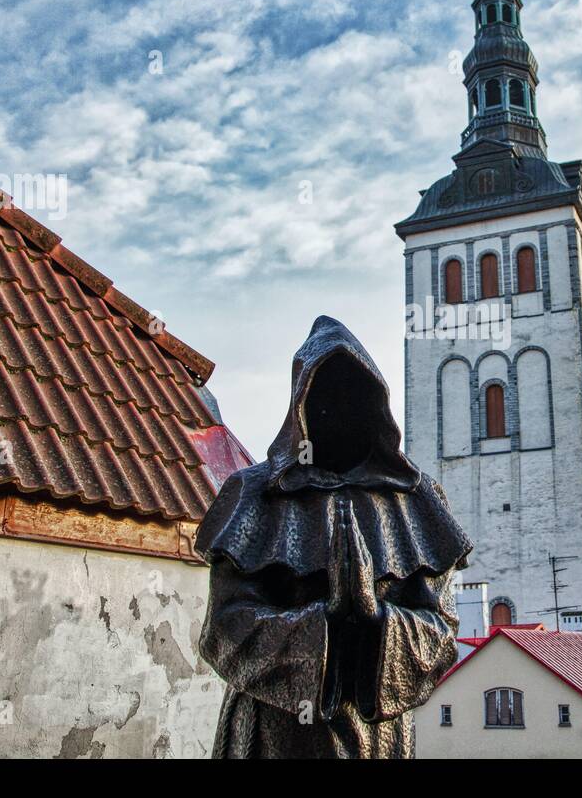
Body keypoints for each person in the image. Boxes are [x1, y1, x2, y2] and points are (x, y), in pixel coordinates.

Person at [195, 316, 471, 757]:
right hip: (273, 733)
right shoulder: (256, 493)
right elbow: (224, 629)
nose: (339, 410)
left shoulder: (415, 500)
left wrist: (375, 621)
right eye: (325, 395)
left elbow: (441, 636)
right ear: (300, 402)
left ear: (375, 404)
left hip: (378, 735)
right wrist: (324, 622)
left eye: (353, 395)